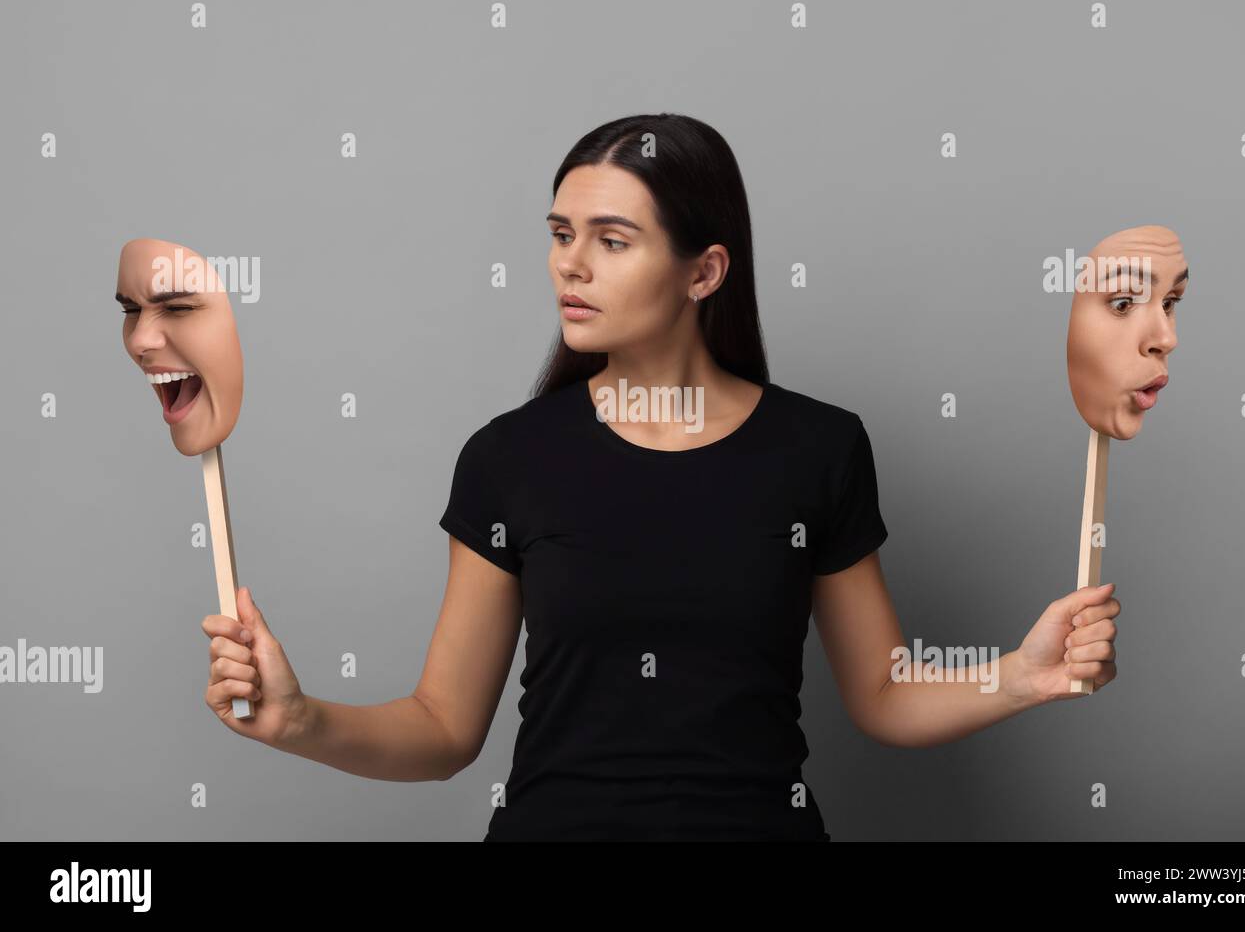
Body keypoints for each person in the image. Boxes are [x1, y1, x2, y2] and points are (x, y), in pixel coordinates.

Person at [201, 113, 1120, 841]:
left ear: (704, 270)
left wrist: (1023, 676)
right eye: (562, 233)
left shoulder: (820, 448)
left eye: (612, 239)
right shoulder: (509, 457)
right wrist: (299, 720)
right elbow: (444, 727)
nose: (570, 262)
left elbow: (881, 693)